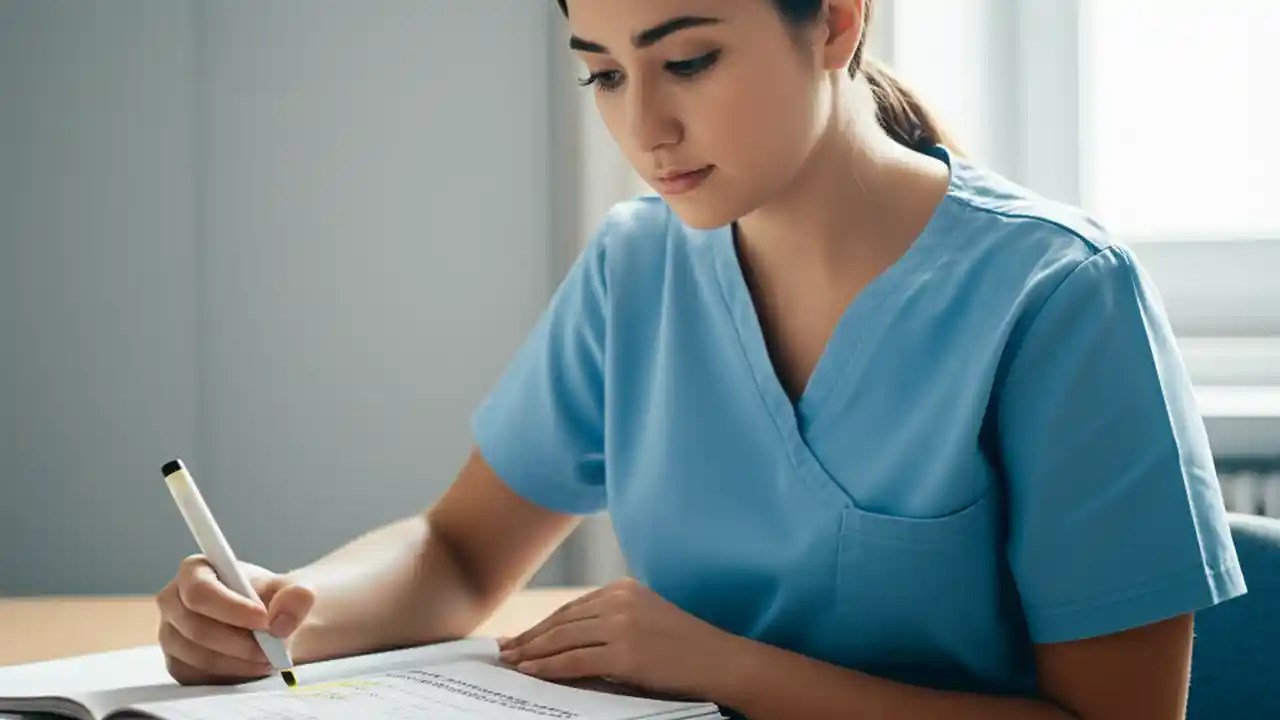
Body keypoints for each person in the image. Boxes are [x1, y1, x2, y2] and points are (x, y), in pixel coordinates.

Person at [154, 1, 1247, 717]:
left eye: (687, 60)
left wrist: (729, 670)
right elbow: (455, 553)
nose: (645, 128)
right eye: (603, 76)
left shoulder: (1056, 295)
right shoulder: (638, 267)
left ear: (835, 23)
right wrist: (286, 609)